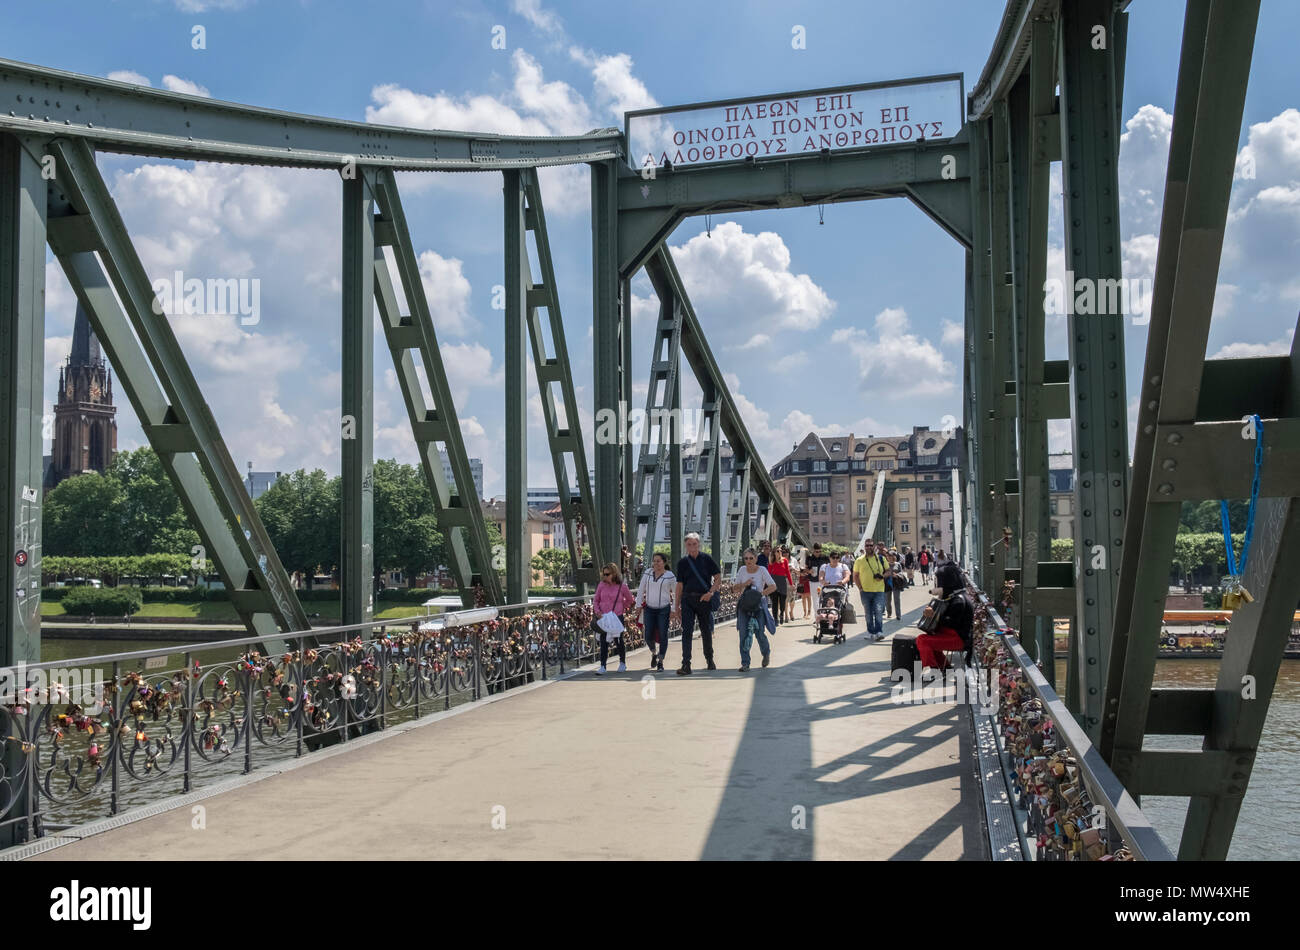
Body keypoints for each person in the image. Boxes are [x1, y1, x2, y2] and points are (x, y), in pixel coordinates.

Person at [672, 532, 721, 675]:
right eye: (689, 544)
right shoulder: (682, 563)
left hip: (703, 599)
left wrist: (710, 593)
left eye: (694, 544)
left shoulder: (707, 559)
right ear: (685, 546)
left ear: (699, 544)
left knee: (705, 630)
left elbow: (718, 578)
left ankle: (710, 660)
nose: (692, 546)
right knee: (687, 632)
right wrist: (677, 606)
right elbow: (679, 585)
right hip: (687, 599)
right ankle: (686, 664)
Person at [916, 562, 974, 681]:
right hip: (959, 637)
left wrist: (934, 615)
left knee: (922, 640)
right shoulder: (959, 596)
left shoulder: (958, 600)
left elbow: (951, 622)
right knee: (930, 640)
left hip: (958, 639)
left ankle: (934, 670)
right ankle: (946, 669)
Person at [730, 548, 776, 672]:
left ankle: (766, 653)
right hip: (745, 605)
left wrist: (760, 594)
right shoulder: (742, 570)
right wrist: (744, 584)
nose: (748, 561)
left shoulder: (762, 570)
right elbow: (734, 588)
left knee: (759, 632)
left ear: (756, 558)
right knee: (743, 634)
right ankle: (745, 663)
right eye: (746, 558)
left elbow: (773, 586)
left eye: (751, 558)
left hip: (758, 605)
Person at [634, 551, 676, 672]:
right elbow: (641, 589)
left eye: (658, 561)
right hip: (649, 608)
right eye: (654, 561)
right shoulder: (647, 573)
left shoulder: (670, 576)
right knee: (647, 635)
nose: (655, 563)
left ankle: (661, 662)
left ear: (664, 562)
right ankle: (654, 652)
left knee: (663, 634)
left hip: (663, 609)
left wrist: (673, 609)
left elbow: (676, 592)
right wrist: (638, 605)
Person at [592, 562, 635, 675]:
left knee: (619, 640)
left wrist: (621, 608)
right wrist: (597, 611)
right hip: (603, 618)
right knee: (603, 641)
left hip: (616, 617)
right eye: (604, 574)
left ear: (614, 573)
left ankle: (622, 663)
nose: (605, 576)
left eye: (607, 574)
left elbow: (630, 600)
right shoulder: (601, 585)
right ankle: (602, 666)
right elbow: (596, 600)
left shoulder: (622, 586)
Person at [854, 540, 890, 641]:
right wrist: (860, 588)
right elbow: (855, 576)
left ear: (874, 546)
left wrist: (882, 576)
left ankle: (879, 631)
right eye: (867, 545)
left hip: (879, 590)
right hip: (865, 591)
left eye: (871, 545)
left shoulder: (881, 559)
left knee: (878, 611)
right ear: (864, 547)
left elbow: (888, 571)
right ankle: (870, 632)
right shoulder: (859, 560)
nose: (869, 547)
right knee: (868, 613)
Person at [767, 546, 793, 626]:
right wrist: (768, 584)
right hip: (774, 582)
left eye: (781, 551)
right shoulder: (771, 562)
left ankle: (782, 613)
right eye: (778, 551)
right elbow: (768, 574)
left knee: (782, 601)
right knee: (774, 602)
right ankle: (775, 619)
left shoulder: (784, 560)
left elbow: (788, 572)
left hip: (782, 582)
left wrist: (791, 584)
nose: (780, 552)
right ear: (774, 553)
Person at [805, 543, 829, 613]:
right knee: (815, 599)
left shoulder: (825, 558)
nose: (818, 553)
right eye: (816, 551)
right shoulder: (809, 558)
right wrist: (809, 571)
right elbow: (805, 569)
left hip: (823, 581)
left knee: (823, 598)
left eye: (819, 551)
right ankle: (817, 617)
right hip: (813, 581)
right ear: (813, 550)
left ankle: (823, 615)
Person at [886, 551, 904, 620]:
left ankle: (898, 615)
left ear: (894, 557)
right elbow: (883, 572)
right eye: (889, 556)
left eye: (891, 556)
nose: (890, 558)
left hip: (896, 583)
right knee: (887, 600)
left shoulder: (898, 564)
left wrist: (896, 575)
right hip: (887, 583)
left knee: (897, 600)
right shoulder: (886, 564)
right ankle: (889, 613)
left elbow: (901, 573)